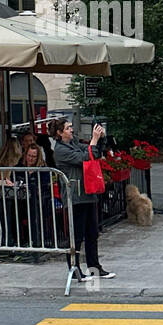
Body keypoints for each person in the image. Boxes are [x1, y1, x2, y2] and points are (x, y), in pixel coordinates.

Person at [53, 118, 113, 278]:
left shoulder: (74, 143)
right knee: (77, 235)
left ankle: (95, 266)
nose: (71, 130)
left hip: (88, 192)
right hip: (75, 196)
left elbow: (94, 153)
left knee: (92, 233)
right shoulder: (60, 150)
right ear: (59, 133)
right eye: (68, 128)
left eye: (71, 127)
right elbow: (85, 158)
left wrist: (100, 139)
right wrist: (94, 140)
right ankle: (75, 269)